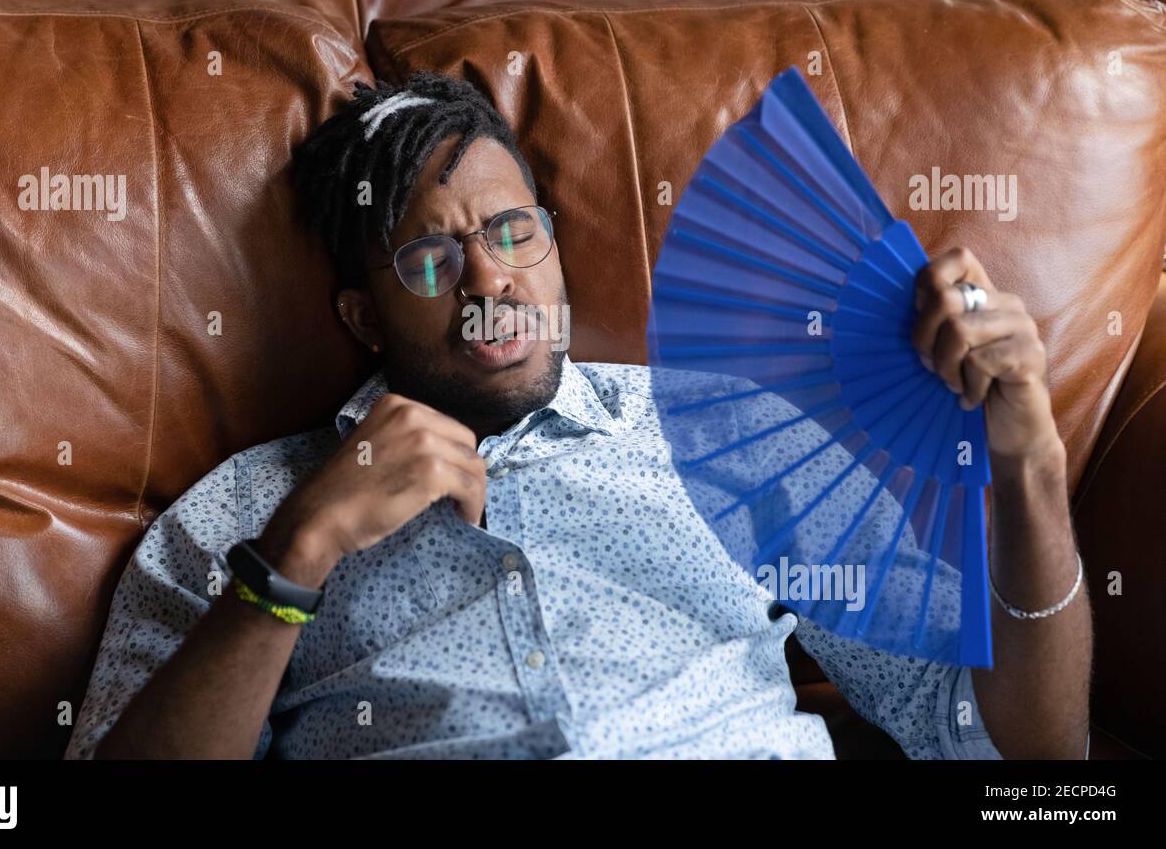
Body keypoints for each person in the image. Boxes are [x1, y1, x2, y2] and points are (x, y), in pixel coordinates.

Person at [65, 71, 1090, 760]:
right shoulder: (243, 513)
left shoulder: (731, 435)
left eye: (512, 230)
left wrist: (1028, 469)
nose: (488, 276)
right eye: (429, 255)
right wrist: (290, 563)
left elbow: (1012, 746)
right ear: (360, 315)